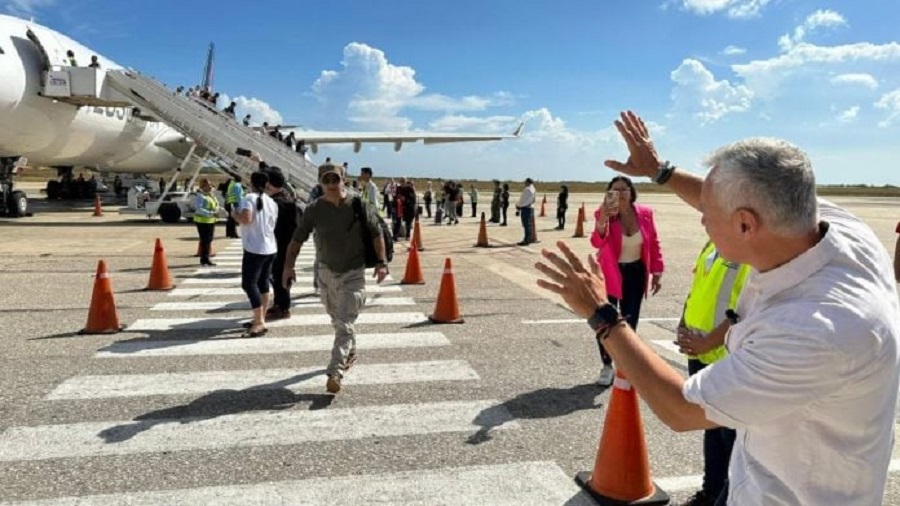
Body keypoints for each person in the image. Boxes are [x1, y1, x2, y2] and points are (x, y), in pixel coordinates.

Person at [535, 110, 900, 506]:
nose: (702, 219)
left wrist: (602, 314)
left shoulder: (816, 328)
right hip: (760, 473)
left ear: (745, 225)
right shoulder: (835, 229)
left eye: (707, 213)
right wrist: (661, 172)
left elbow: (680, 409)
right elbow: (743, 205)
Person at [283, 165, 389, 394]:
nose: (331, 184)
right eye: (326, 179)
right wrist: (288, 267)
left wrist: (381, 262)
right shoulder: (313, 209)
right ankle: (350, 351)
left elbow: (376, 233)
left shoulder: (358, 205)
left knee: (344, 323)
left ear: (343, 180)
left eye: (335, 179)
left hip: (353, 273)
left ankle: (335, 371)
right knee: (337, 320)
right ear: (320, 182)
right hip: (326, 273)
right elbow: (297, 239)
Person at [675, 241, 751, 506]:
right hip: (698, 351)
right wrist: (683, 322)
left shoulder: (748, 253)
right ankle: (711, 491)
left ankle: (729, 497)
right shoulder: (711, 243)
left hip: (724, 356)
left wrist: (708, 342)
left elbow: (742, 313)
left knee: (730, 436)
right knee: (710, 427)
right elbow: (697, 288)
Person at [589, 175, 664, 386]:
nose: (620, 194)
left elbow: (654, 243)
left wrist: (657, 271)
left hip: (635, 273)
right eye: (615, 190)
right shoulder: (604, 213)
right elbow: (597, 241)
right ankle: (606, 365)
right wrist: (603, 219)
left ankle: (625, 366)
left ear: (631, 191)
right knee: (605, 321)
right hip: (610, 273)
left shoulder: (645, 214)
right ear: (608, 193)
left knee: (629, 323)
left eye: (624, 189)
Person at [231, 171, 278, 338]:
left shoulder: (249, 198)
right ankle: (261, 317)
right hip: (270, 246)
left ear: (251, 182)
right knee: (263, 283)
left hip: (254, 248)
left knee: (249, 284)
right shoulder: (271, 201)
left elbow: (246, 219)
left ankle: (258, 322)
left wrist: (234, 214)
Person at [262, 167, 299, 321]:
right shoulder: (286, 197)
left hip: (280, 244)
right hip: (287, 244)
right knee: (279, 274)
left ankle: (283, 307)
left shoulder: (276, 202)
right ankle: (281, 304)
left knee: (279, 275)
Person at [192, 178, 219, 267]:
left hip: (211, 221)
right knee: (205, 241)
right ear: (203, 186)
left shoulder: (211, 195)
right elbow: (199, 209)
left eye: (211, 185)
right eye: (208, 185)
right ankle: (204, 259)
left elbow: (216, 204)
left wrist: (217, 210)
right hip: (202, 221)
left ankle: (206, 258)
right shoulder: (200, 196)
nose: (210, 186)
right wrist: (211, 213)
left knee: (209, 240)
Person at [515, 178, 536, 245]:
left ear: (528, 182)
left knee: (526, 225)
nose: (524, 183)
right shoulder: (533, 189)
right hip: (531, 208)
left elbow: (522, 200)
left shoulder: (527, 189)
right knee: (529, 225)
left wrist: (518, 205)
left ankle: (526, 240)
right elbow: (533, 200)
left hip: (525, 208)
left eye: (525, 182)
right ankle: (529, 238)